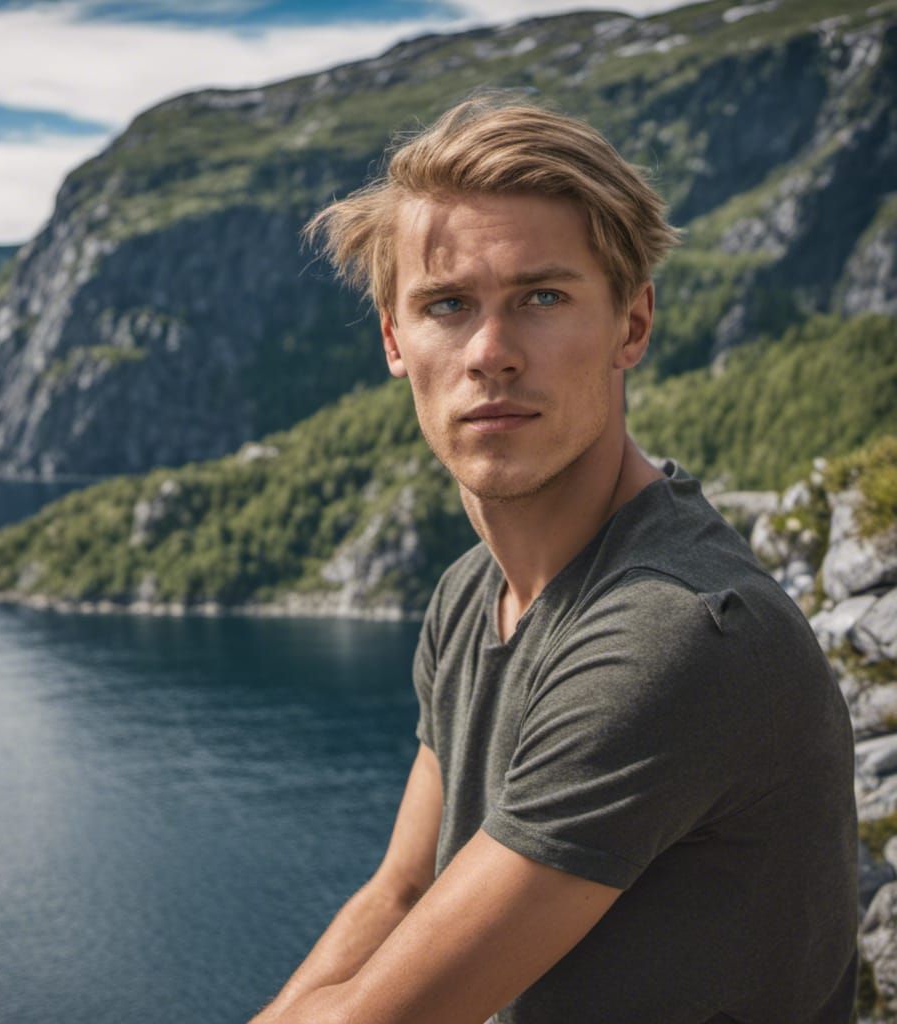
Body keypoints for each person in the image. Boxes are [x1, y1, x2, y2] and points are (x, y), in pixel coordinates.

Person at [247, 97, 858, 1024]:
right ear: (393, 341)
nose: (491, 353)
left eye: (542, 297)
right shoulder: (471, 595)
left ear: (632, 325)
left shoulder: (678, 635)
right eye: (448, 305)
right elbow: (402, 892)